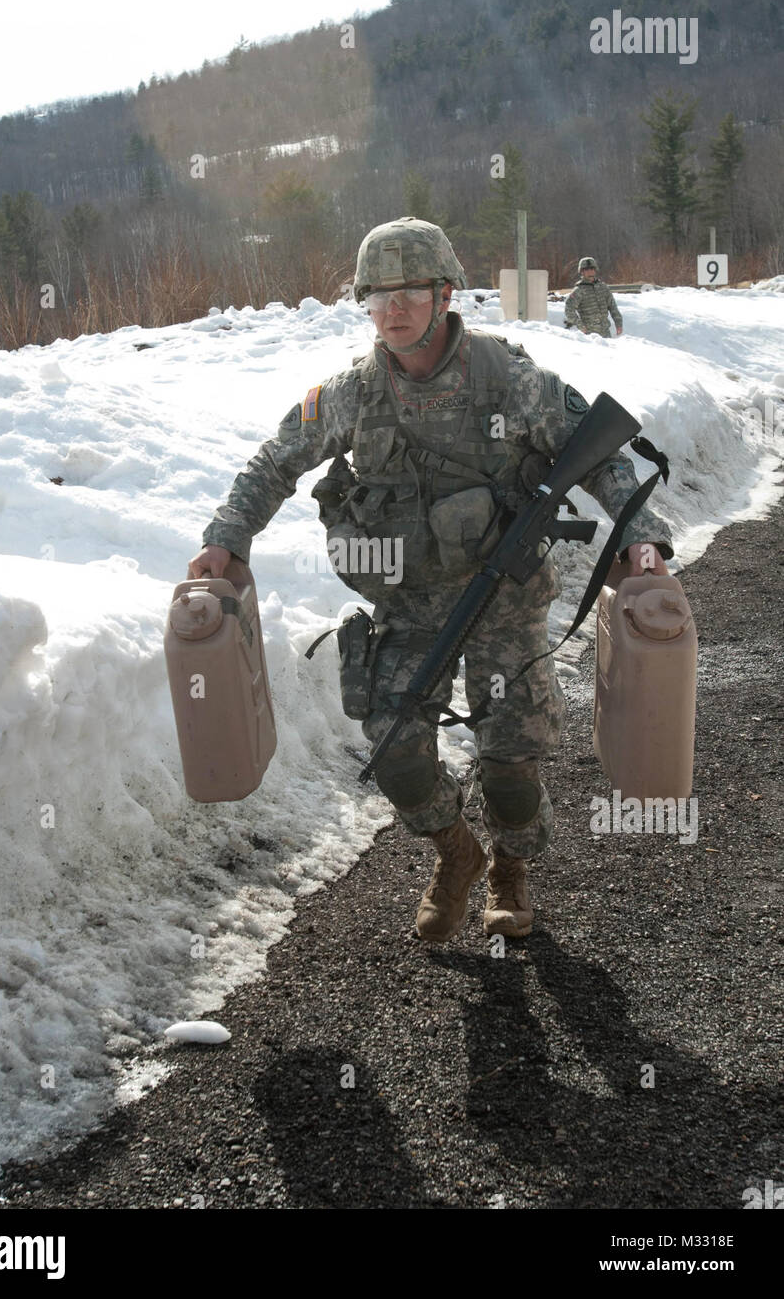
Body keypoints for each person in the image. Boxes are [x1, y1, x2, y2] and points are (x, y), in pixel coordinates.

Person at [189, 218, 672, 945]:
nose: (394, 309)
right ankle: (457, 854)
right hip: (409, 608)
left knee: (510, 763)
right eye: (378, 295)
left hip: (504, 604)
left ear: (445, 293)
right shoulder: (352, 395)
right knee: (395, 752)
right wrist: (226, 538)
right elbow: (274, 463)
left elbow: (599, 456)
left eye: (411, 290)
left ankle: (510, 870)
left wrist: (640, 539)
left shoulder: (510, 380)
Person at [564, 257, 623, 338]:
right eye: (586, 269)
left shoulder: (603, 287)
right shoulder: (579, 290)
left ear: (595, 270)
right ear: (582, 272)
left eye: (592, 269)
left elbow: (613, 307)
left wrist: (618, 323)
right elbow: (569, 309)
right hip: (589, 335)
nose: (590, 272)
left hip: (605, 333)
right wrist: (580, 326)